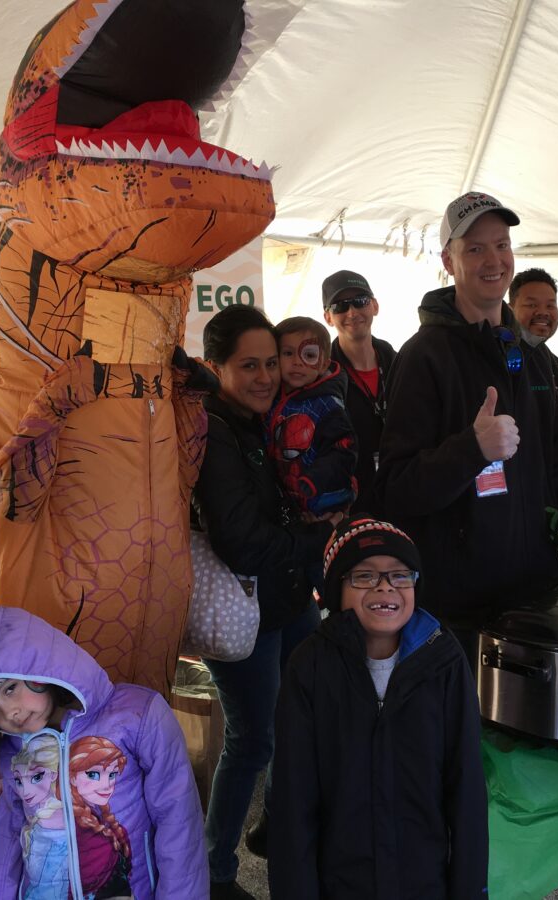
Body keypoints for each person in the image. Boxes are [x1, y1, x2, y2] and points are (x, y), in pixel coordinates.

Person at [375, 192, 558, 660]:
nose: (493, 260)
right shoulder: (424, 357)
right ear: (449, 260)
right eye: (476, 248)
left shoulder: (532, 357)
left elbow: (556, 471)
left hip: (533, 597)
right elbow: (398, 488)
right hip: (459, 609)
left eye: (501, 245)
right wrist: (472, 449)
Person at [269, 517, 488, 898]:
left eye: (400, 576)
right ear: (337, 589)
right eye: (365, 576)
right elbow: (293, 803)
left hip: (423, 885)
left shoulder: (444, 661)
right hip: (339, 886)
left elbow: (466, 789)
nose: (385, 586)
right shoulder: (310, 667)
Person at [194, 304, 334, 899]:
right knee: (252, 742)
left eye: (270, 363)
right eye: (248, 365)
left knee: (297, 724)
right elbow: (244, 544)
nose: (264, 376)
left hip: (289, 598)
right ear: (214, 367)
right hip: (242, 611)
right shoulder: (214, 434)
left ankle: (274, 828)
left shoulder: (273, 417)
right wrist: (321, 537)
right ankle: (214, 869)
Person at [0, 605, 206, 899]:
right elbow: (5, 844)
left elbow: (178, 822)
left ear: (41, 666)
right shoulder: (13, 751)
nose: (9, 712)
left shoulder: (138, 715)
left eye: (10, 688)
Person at [266, 315, 358, 518]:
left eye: (309, 355)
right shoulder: (270, 396)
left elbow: (344, 451)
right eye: (288, 353)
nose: (297, 362)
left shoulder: (328, 405)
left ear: (324, 364)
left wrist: (315, 479)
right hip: (292, 503)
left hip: (327, 503)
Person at [323, 270, 398, 515]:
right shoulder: (322, 375)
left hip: (401, 493)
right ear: (328, 317)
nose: (352, 312)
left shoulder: (398, 362)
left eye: (360, 301)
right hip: (351, 505)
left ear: (375, 306)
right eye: (341, 306)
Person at [508, 267, 558, 430]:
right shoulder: (501, 362)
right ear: (510, 310)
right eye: (531, 304)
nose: (543, 312)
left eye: (550, 305)